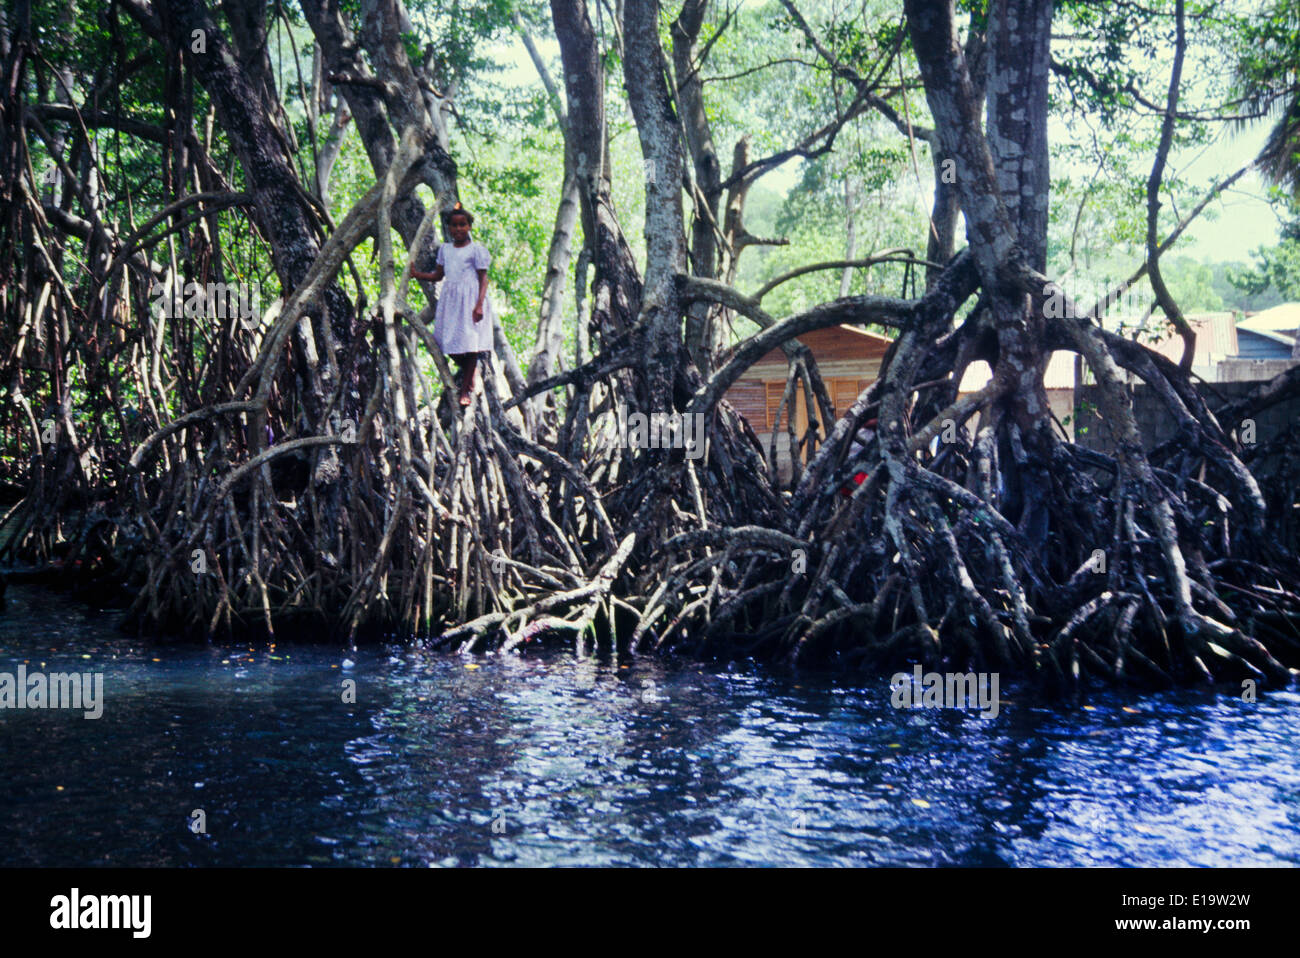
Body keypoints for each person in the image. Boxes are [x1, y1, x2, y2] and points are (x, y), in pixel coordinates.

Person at [411, 202, 496, 406]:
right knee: (450, 344)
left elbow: (483, 279)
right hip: (451, 300)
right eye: (455, 225)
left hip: (471, 299)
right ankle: (471, 370)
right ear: (448, 228)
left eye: (463, 225)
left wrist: (479, 305)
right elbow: (438, 275)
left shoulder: (476, 250)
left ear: (469, 227)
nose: (458, 229)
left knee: (470, 344)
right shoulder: (446, 250)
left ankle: (467, 388)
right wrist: (417, 274)